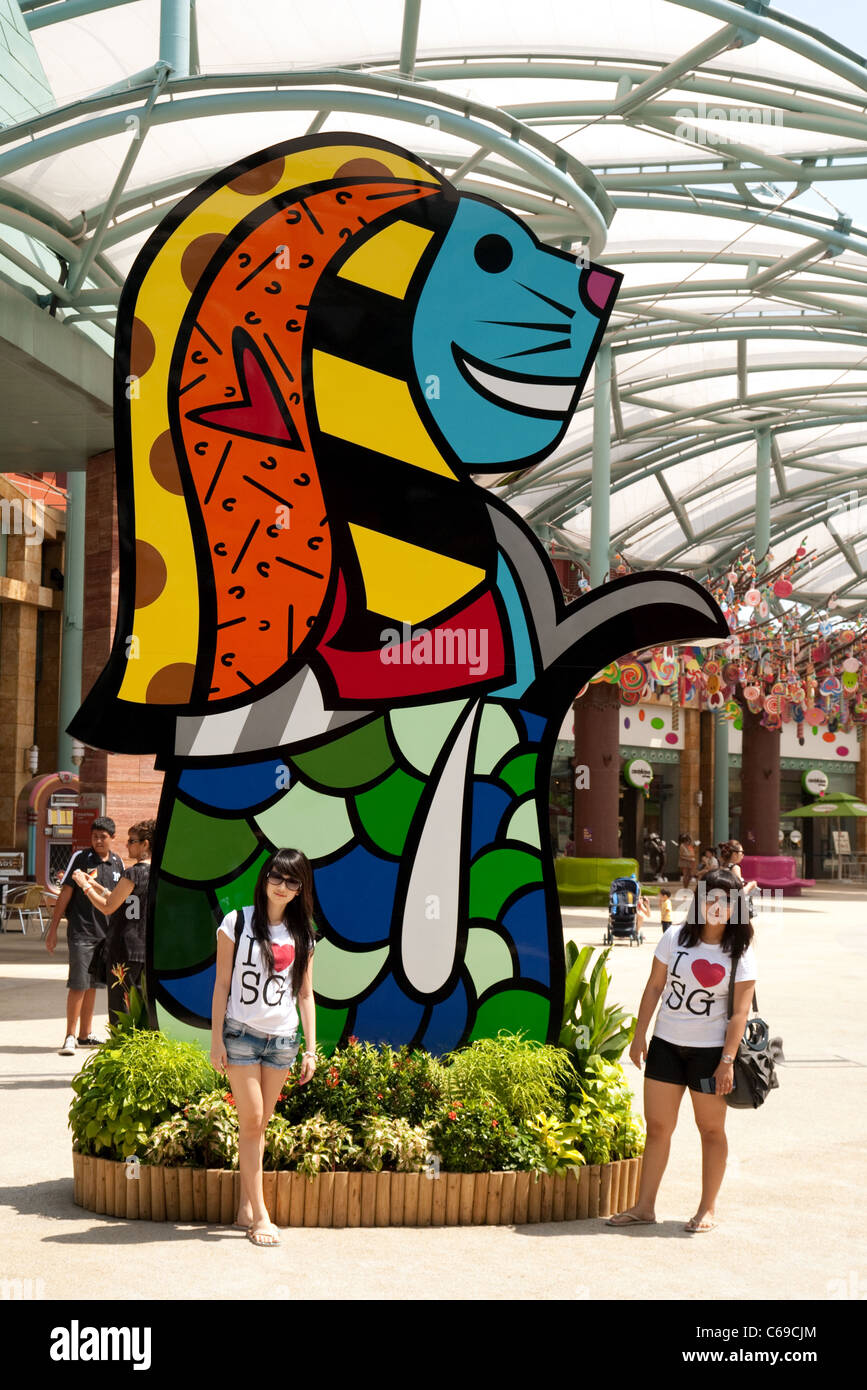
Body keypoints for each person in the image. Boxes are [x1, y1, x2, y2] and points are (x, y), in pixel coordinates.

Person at [607, 868, 757, 1233]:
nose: (717, 906)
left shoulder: (740, 951)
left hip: (710, 1053)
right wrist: (639, 1035)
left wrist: (727, 1061)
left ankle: (707, 1208)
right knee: (657, 1127)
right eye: (710, 897)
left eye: (726, 900)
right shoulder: (674, 937)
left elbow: (740, 1012)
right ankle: (644, 1207)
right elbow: (654, 987)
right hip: (666, 1045)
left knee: (710, 1129)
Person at [210, 848, 317, 1247]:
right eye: (277, 877)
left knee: (258, 1126)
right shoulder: (236, 923)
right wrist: (215, 1039)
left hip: (284, 1041)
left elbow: (305, 994)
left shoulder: (302, 933)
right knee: (252, 1121)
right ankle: (261, 1216)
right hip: (241, 1035)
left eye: (293, 881)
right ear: (265, 877)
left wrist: (310, 1049)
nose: (282, 886)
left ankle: (244, 1205)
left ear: (300, 888)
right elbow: (222, 984)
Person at [45, 817, 125, 1055]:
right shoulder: (80, 859)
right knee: (79, 984)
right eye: (95, 836)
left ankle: (85, 1034)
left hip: (106, 935)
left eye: (103, 837)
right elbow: (65, 894)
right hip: (82, 932)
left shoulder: (118, 862)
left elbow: (118, 899)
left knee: (93, 985)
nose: (98, 840)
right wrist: (53, 930)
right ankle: (70, 1035)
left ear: (112, 838)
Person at [74, 820, 154, 1025]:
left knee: (121, 1009)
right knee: (141, 1008)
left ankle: (121, 1048)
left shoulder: (133, 872)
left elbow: (109, 907)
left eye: (132, 841)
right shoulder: (156, 875)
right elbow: (126, 900)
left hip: (125, 949)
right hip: (146, 950)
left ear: (145, 844)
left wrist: (85, 886)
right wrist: (96, 885)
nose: (127, 845)